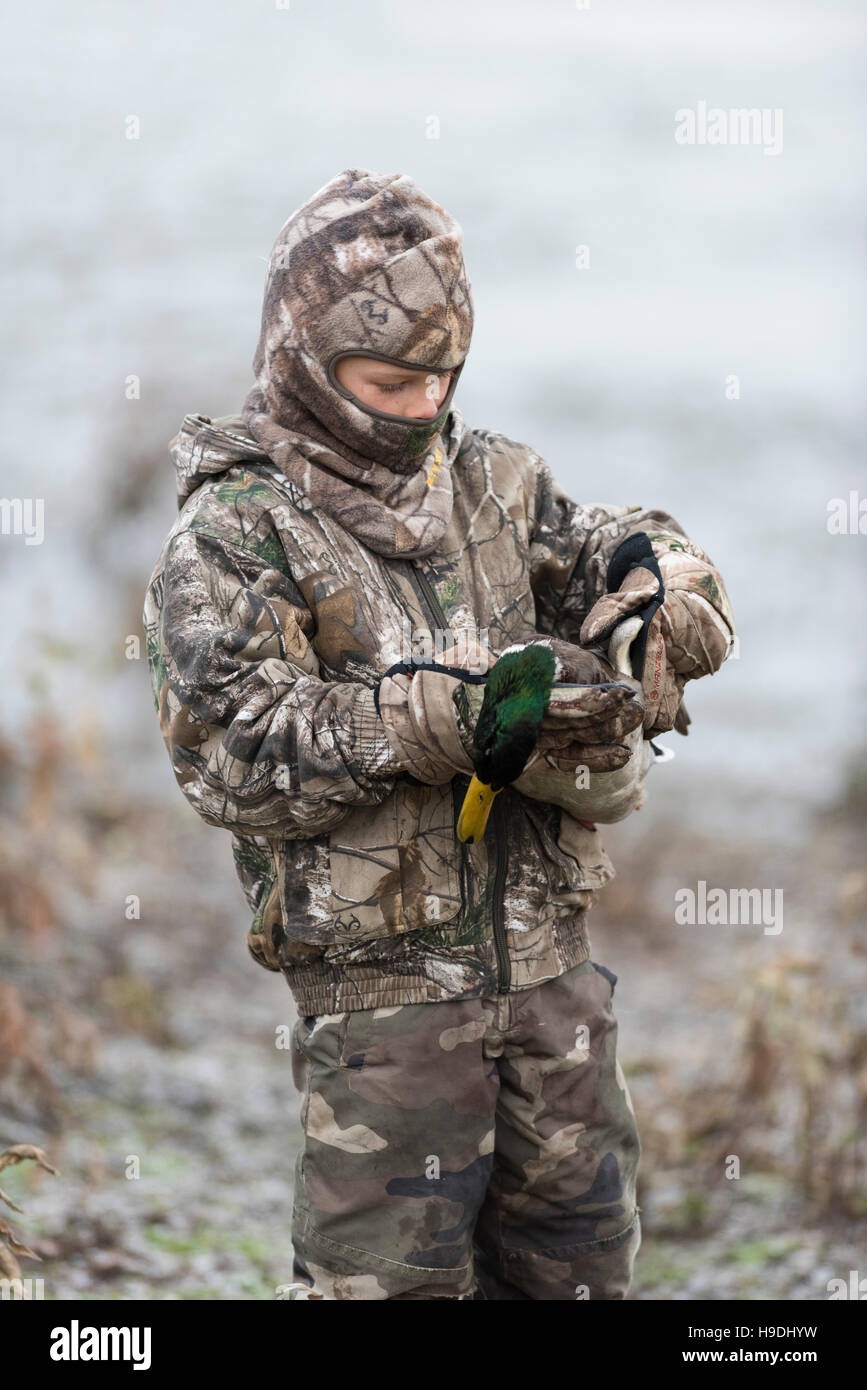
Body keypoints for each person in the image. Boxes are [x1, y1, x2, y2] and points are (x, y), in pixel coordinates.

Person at [143, 168, 736, 1300]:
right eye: (387, 381)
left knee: (585, 1278)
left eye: (442, 379)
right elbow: (230, 750)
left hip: (558, 999)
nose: (421, 408)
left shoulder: (496, 482)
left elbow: (622, 541)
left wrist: (665, 591)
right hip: (384, 1030)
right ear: (305, 360)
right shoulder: (237, 532)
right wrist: (435, 719)